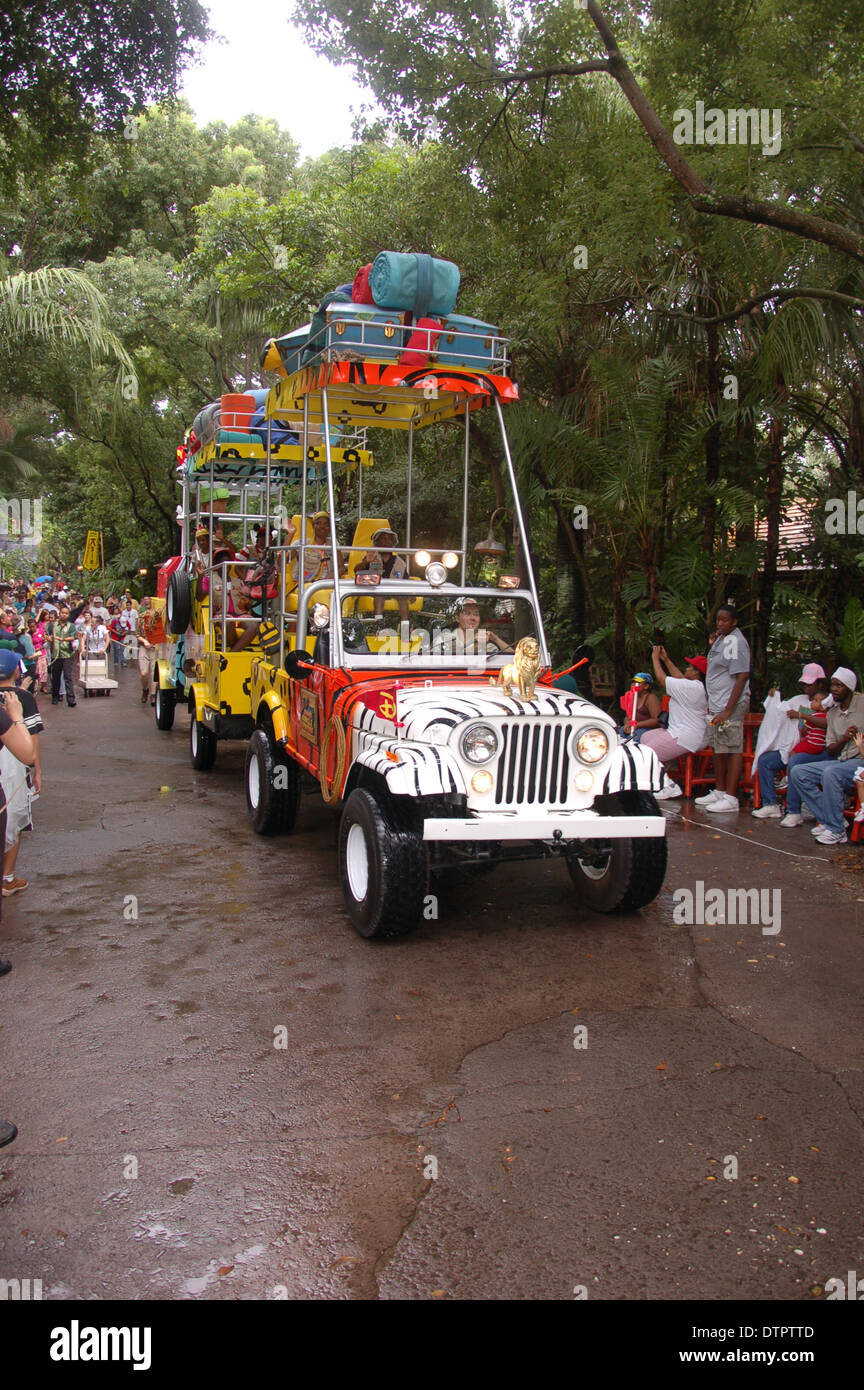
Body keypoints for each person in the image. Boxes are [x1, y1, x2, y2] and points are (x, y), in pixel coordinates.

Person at [787, 667, 864, 844]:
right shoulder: (833, 713)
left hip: (861, 761)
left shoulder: (861, 704)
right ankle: (833, 819)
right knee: (799, 772)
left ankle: (836, 829)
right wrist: (844, 738)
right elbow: (831, 750)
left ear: (850, 688)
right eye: (833, 685)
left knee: (832, 773)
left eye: (840, 685)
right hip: (841, 760)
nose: (835, 689)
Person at [752, 664, 829, 820]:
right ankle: (770, 804)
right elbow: (780, 709)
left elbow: (829, 723)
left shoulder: (828, 703)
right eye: (804, 683)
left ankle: (794, 810)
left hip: (818, 751)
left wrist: (801, 716)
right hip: (793, 747)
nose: (806, 687)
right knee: (765, 760)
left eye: (810, 683)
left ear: (820, 683)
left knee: (795, 761)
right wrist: (774, 697)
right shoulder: (798, 699)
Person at [695, 604, 751, 813]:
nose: (720, 623)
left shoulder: (736, 641)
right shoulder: (722, 639)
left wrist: (729, 709)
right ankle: (719, 790)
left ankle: (731, 797)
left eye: (725, 620)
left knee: (732, 746)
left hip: (730, 702)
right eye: (718, 619)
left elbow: (742, 675)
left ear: (734, 622)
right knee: (719, 745)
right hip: (718, 702)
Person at [0, 650, 42, 897]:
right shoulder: (23, 698)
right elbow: (32, 741)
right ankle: (8, 877)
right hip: (16, 764)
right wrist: (38, 770)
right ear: (17, 671)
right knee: (13, 821)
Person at [642, 648, 709, 798]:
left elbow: (661, 678)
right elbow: (679, 678)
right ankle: (657, 778)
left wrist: (655, 658)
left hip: (685, 736)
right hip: (683, 731)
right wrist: (666, 660)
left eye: (691, 667)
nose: (687, 668)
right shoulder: (696, 686)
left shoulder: (692, 688)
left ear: (697, 673)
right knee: (645, 738)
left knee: (646, 752)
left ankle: (668, 785)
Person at [432, 598, 513, 656]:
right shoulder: (443, 640)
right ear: (457, 618)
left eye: (476, 614)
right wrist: (474, 649)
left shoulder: (485, 643)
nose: (473, 618)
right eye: (467, 613)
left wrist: (496, 639)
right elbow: (431, 663)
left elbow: (513, 659)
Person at [48, 604, 78, 706]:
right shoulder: (53, 625)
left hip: (67, 654)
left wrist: (62, 639)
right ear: (59, 614)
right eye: (62, 613)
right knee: (55, 677)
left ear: (68, 615)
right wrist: (49, 639)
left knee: (68, 677)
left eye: (66, 613)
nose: (63, 615)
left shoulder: (71, 626)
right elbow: (47, 635)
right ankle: (55, 697)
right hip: (56, 655)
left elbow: (73, 637)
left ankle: (71, 700)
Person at [622, 671, 663, 741]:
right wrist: (627, 724)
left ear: (646, 686)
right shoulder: (632, 697)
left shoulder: (651, 698)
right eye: (633, 682)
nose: (633, 685)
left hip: (647, 730)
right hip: (634, 728)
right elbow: (627, 716)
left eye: (637, 683)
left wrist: (638, 725)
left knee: (632, 740)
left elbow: (657, 720)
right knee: (616, 735)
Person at [135, 597, 158, 703]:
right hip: (144, 647)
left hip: (155, 647)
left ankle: (153, 695)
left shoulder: (158, 617)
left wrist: (154, 642)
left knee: (153, 672)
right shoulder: (140, 618)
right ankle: (145, 689)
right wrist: (145, 641)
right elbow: (137, 634)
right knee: (144, 672)